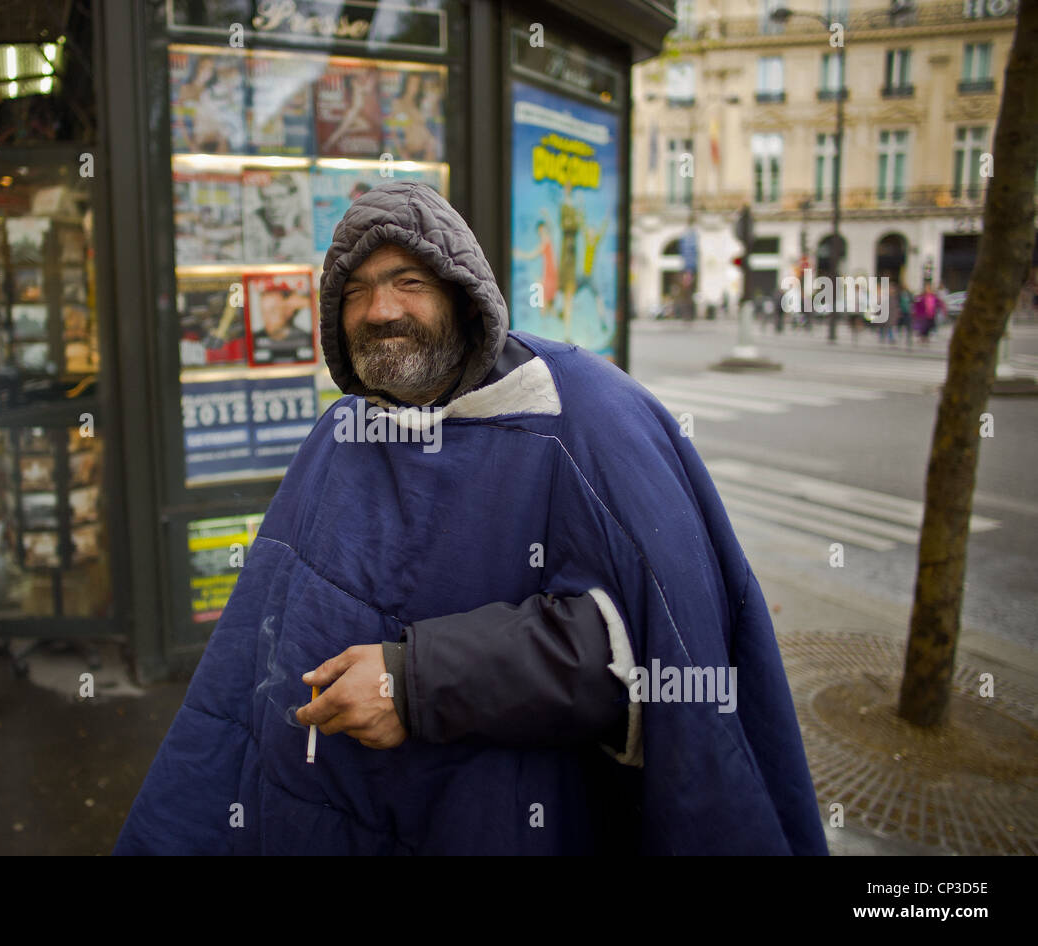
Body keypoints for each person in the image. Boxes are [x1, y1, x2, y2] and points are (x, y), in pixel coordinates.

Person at [114, 181, 827, 856]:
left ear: (463, 294)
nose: (379, 309)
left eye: (408, 282)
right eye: (356, 291)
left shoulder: (585, 416)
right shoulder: (343, 434)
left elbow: (648, 650)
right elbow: (254, 652)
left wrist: (412, 679)